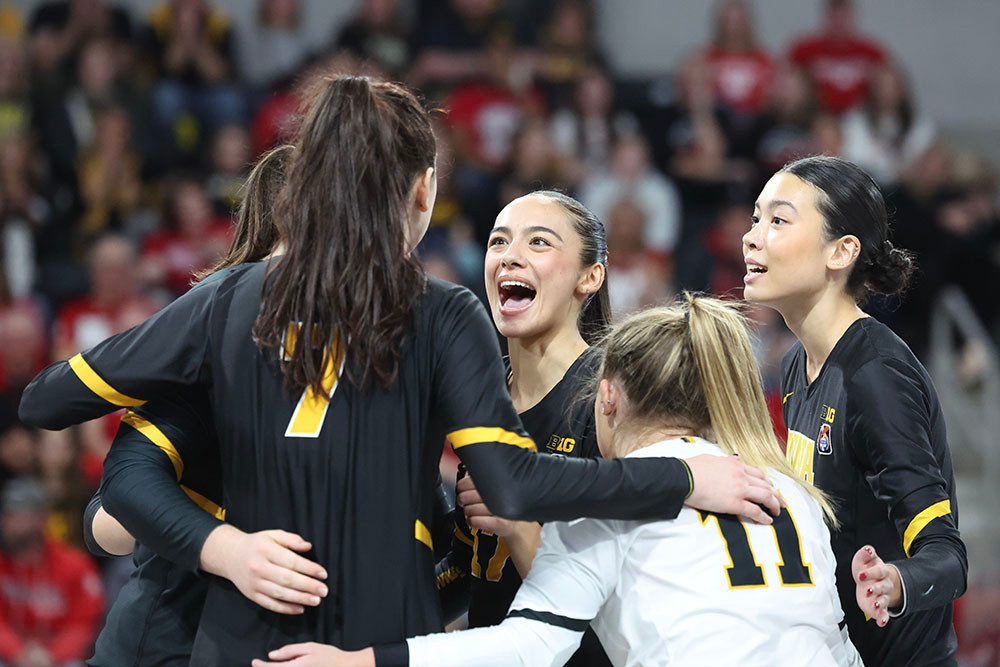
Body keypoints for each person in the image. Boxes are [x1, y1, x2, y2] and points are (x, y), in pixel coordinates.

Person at [19, 76, 780, 666]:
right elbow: (513, 483)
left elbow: (50, 402)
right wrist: (682, 479)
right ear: (423, 189)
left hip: (240, 640)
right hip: (380, 642)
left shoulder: (225, 300)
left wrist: (224, 544)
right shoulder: (444, 312)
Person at [253, 295, 861, 667]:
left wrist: (360, 661)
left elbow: (525, 650)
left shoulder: (613, 502)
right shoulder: (790, 492)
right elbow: (836, 645)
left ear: (608, 398)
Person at [742, 155, 967, 665]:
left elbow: (948, 557)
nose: (752, 236)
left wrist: (895, 582)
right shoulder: (799, 361)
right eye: (755, 218)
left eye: (777, 220)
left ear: (841, 251)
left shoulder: (876, 375)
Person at [81, 144, 292, 667]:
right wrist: (195, 525)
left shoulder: (367, 365)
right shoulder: (209, 353)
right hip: (169, 635)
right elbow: (105, 518)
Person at [437, 190, 614, 666]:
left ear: (589, 276)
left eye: (538, 243)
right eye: (498, 242)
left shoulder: (614, 397)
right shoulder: (474, 390)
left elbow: (609, 605)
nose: (510, 257)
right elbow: (467, 567)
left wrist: (515, 522)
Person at [0, 478, 105, 666]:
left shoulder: (75, 565)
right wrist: (19, 653)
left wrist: (51, 656)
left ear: (40, 518)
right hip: (10, 656)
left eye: (17, 516)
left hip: (59, 658)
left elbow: (83, 624)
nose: (9, 524)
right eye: (7, 516)